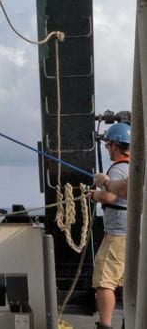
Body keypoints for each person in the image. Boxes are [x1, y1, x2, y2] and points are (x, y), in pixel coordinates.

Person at [89, 122, 130, 329]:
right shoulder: (134, 167)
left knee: (104, 281)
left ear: (115, 145)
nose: (107, 149)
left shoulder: (118, 169)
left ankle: (105, 326)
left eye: (108, 145)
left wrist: (95, 194)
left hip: (117, 235)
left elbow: (109, 195)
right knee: (128, 282)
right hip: (132, 235)